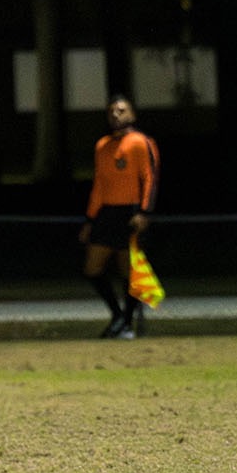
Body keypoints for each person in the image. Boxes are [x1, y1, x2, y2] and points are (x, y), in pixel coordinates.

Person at [80, 94, 160, 339]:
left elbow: (150, 177)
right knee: (92, 269)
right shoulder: (102, 145)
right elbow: (99, 186)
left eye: (122, 110)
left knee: (129, 272)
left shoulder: (141, 142)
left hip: (130, 213)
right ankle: (117, 316)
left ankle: (126, 324)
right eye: (112, 111)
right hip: (106, 214)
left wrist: (144, 212)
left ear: (132, 115)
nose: (116, 114)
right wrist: (90, 219)